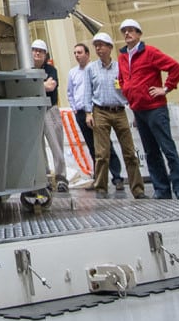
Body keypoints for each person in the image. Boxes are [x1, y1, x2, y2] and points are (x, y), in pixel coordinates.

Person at [118, 18, 179, 199]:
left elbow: (175, 67)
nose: (127, 33)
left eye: (131, 30)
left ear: (139, 34)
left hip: (155, 109)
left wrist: (165, 88)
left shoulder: (150, 52)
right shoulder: (123, 57)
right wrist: (129, 95)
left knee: (167, 149)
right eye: (124, 31)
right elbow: (123, 80)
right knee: (151, 152)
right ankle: (161, 189)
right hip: (139, 111)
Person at [85, 33, 145, 198]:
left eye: (102, 45)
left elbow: (129, 89)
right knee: (102, 154)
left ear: (110, 47)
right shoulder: (91, 68)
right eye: (96, 45)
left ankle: (138, 190)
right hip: (100, 111)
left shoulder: (121, 67)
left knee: (130, 153)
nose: (99, 48)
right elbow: (87, 92)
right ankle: (101, 189)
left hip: (119, 111)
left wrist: (134, 110)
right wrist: (88, 113)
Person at [67, 41, 122, 187]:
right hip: (80, 112)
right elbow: (70, 93)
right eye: (75, 53)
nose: (77, 55)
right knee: (92, 147)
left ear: (87, 54)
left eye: (79, 52)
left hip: (96, 111)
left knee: (106, 145)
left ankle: (117, 177)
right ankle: (99, 178)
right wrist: (75, 108)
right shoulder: (72, 73)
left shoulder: (94, 69)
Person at [30, 39, 69, 193]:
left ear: (46, 55)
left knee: (56, 145)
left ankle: (61, 178)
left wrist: (33, 85)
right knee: (38, 148)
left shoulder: (51, 70)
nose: (37, 53)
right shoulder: (28, 69)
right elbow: (43, 86)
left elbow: (51, 86)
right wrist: (42, 85)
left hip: (49, 110)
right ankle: (44, 178)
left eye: (41, 51)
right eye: (34, 50)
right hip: (33, 112)